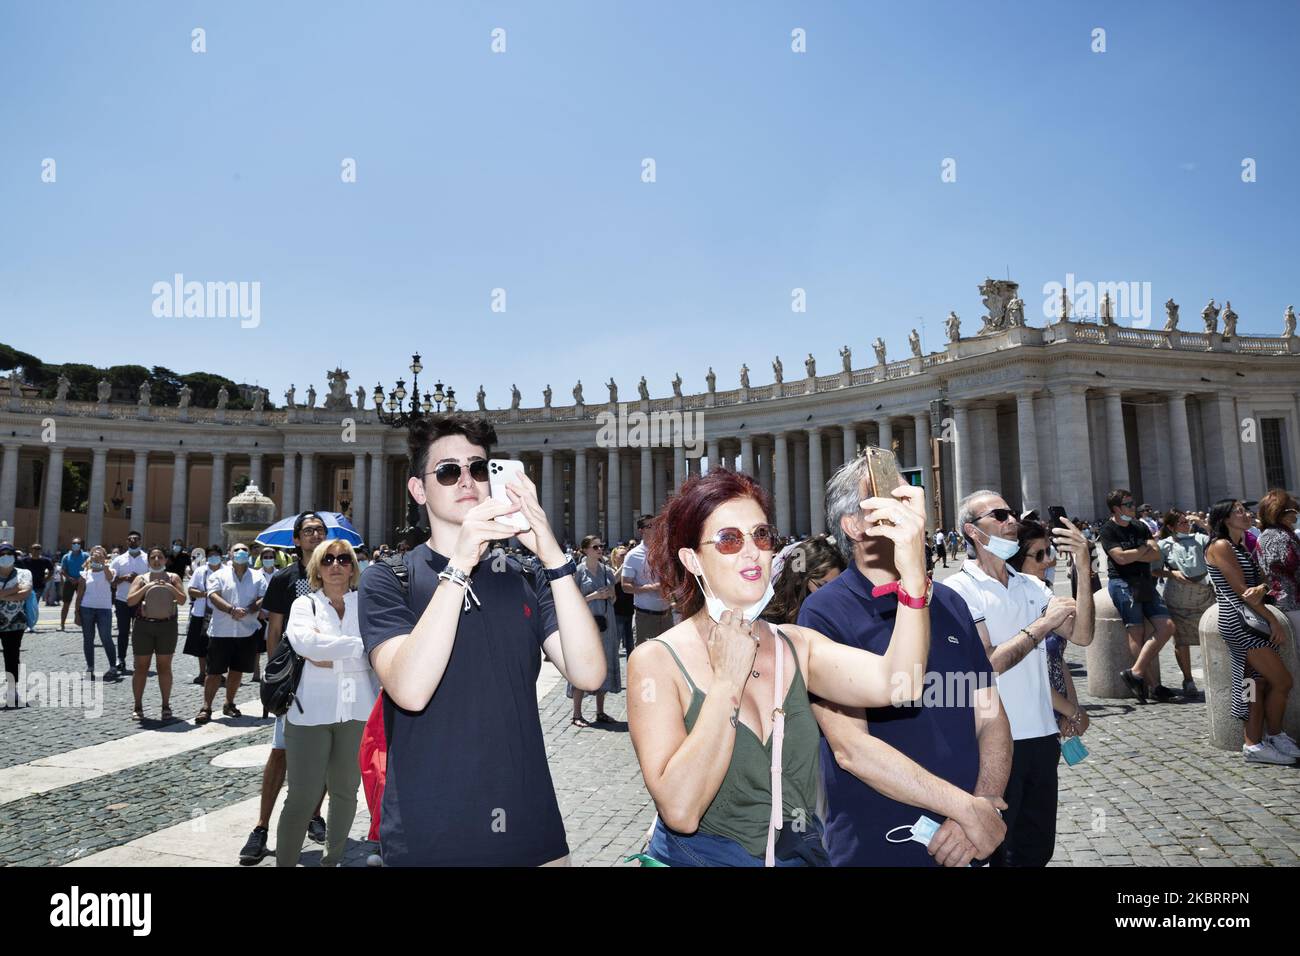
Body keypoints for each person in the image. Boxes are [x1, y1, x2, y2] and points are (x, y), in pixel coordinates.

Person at [628, 467, 932, 866]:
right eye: (729, 539)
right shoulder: (656, 661)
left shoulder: (797, 645)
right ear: (692, 559)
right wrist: (726, 683)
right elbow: (680, 811)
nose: (752, 551)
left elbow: (902, 685)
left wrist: (913, 576)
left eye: (761, 535)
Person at [358, 414, 605, 865]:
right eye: (448, 471)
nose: (466, 480)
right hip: (430, 835)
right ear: (418, 490)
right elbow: (410, 690)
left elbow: (588, 674)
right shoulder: (387, 579)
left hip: (531, 829)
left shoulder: (527, 575)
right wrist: (459, 565)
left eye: (477, 467)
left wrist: (552, 555)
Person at [800, 462, 1010, 867]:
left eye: (907, 498)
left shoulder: (949, 602)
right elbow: (853, 749)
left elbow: (990, 714)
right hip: (880, 845)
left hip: (971, 839)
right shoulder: (823, 613)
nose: (907, 510)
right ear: (854, 526)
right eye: (889, 500)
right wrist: (965, 809)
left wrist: (984, 800)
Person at [945, 490, 1087, 867]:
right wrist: (1043, 625)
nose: (1012, 521)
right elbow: (989, 662)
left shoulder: (1031, 585)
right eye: (999, 515)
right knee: (1000, 853)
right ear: (972, 531)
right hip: (994, 741)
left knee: (1037, 848)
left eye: (1011, 513)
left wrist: (1084, 565)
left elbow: (1083, 634)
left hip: (1042, 735)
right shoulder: (958, 589)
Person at [277, 538, 379, 867]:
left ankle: (331, 861)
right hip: (310, 713)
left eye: (344, 559)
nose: (336, 565)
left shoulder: (366, 603)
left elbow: (377, 646)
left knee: (346, 792)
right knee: (302, 797)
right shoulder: (304, 605)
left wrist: (329, 652)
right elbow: (305, 644)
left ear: (353, 568)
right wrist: (356, 649)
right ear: (317, 569)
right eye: (328, 559)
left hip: (357, 711)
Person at [239, 514, 329, 865]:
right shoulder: (284, 578)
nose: (315, 535)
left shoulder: (338, 572)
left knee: (326, 751)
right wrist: (275, 673)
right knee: (281, 751)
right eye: (309, 531)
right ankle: (261, 827)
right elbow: (274, 629)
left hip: (329, 673)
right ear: (296, 540)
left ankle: (314, 814)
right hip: (294, 672)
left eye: (320, 530)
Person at [1205, 499, 1299, 764]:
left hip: (1248, 618)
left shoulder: (1240, 546)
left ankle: (1256, 741)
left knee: (1254, 683)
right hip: (1241, 621)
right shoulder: (1221, 546)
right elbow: (1242, 591)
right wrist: (1273, 621)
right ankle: (1270, 736)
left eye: (1245, 510)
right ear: (1225, 519)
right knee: (1282, 681)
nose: (1246, 514)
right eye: (1239, 511)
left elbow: (1261, 584)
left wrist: (1262, 588)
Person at [1010, 519, 1095, 740]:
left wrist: (1083, 569)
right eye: (1039, 555)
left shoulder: (1042, 593)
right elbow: (1025, 672)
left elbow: (1075, 642)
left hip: (1053, 715)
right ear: (1017, 558)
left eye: (1049, 551)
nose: (1048, 560)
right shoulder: (1010, 601)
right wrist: (1071, 711)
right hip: (1023, 716)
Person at [1099, 489, 1177, 703]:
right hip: (1122, 583)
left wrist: (1133, 554)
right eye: (1128, 504)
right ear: (1116, 508)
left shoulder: (1139, 526)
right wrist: (1142, 550)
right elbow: (1120, 559)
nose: (1133, 507)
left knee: (1167, 626)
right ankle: (1154, 686)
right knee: (1137, 633)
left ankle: (1135, 672)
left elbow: (1156, 553)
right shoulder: (1108, 530)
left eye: (1133, 503)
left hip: (1144, 582)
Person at [197, 542, 266, 725]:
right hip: (221, 631)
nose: (241, 552)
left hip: (246, 631)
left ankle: (229, 703)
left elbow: (262, 597)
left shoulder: (257, 576)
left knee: (237, 670)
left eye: (244, 550)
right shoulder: (218, 575)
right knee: (214, 672)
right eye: (237, 550)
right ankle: (206, 707)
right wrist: (231, 610)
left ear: (249, 554)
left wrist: (250, 609)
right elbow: (213, 595)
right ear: (230, 554)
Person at [1158, 509, 1214, 698]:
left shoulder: (1200, 538)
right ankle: (1188, 679)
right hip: (1178, 597)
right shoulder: (1163, 545)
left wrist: (1202, 523)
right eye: (1181, 523)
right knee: (1181, 640)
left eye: (1187, 522)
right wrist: (1171, 573)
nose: (1186, 525)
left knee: (1211, 636)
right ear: (1170, 526)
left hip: (1203, 594)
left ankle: (1214, 676)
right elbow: (1155, 570)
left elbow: (1220, 540)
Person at [125, 546, 186, 720]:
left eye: (160, 557)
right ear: (148, 561)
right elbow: (130, 601)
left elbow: (182, 600)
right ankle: (137, 706)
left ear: (166, 560)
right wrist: (147, 587)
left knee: (164, 667)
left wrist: (170, 587)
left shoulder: (173, 578)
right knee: (141, 667)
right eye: (153, 557)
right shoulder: (141, 579)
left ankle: (166, 705)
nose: (157, 560)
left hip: (167, 627)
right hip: (143, 627)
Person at [569, 535, 621, 727]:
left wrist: (610, 594)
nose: (600, 549)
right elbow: (571, 601)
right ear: (585, 550)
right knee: (582, 664)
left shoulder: (607, 570)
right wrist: (593, 596)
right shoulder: (578, 571)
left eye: (602, 546)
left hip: (606, 623)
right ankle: (577, 714)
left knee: (604, 663)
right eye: (595, 547)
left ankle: (600, 711)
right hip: (585, 625)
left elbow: (614, 598)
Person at [763, 534, 846, 626]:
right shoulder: (770, 618)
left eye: (835, 586)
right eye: (821, 586)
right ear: (799, 578)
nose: (829, 594)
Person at [1256, 490, 1300, 644]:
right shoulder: (1279, 536)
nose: (1297, 513)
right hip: (1292, 601)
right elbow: (1293, 566)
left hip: (1285, 599)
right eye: (1293, 509)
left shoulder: (1271, 533)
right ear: (1281, 512)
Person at [621, 514, 671, 648]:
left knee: (668, 655)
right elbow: (625, 586)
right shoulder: (633, 555)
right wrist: (651, 588)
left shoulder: (664, 551)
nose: (656, 528)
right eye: (650, 526)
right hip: (645, 616)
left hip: (667, 614)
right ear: (641, 530)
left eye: (657, 525)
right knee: (645, 654)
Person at [75, 546, 119, 680]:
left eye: (100, 554)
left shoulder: (110, 570)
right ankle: (90, 667)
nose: (97, 555)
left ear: (105, 557)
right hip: (86, 608)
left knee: (106, 637)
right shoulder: (85, 573)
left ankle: (113, 666)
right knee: (88, 639)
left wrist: (103, 564)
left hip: (104, 609)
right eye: (94, 553)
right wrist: (77, 612)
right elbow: (80, 594)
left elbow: (110, 579)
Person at [109, 530, 148, 675]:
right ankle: (121, 659)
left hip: (140, 600)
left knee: (140, 633)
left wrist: (139, 580)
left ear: (140, 541)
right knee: (123, 632)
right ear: (126, 542)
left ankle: (139, 660)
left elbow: (153, 580)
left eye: (136, 539)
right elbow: (112, 581)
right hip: (122, 600)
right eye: (130, 539)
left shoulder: (147, 559)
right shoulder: (118, 560)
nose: (133, 541)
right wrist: (124, 578)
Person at [0, 542, 34, 709]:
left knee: (12, 656)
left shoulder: (24, 573)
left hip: (15, 622)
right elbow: (19, 591)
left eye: (9, 554)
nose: (6, 557)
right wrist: (14, 590)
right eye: (2, 554)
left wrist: (2, 595)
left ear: (14, 556)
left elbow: (25, 592)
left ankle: (12, 691)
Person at [183, 546, 222, 686]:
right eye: (211, 555)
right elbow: (191, 590)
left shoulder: (227, 571)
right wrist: (205, 594)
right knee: (201, 646)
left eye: (216, 555)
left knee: (220, 645)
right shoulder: (200, 571)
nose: (213, 558)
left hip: (221, 613)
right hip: (201, 613)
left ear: (221, 556)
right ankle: (202, 673)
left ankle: (217, 672)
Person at [17, 544, 53, 633]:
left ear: (40, 550)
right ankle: (24, 623)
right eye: (34, 549)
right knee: (24, 605)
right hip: (25, 586)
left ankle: (30, 625)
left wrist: (46, 579)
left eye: (38, 549)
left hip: (38, 586)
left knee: (33, 605)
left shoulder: (45, 561)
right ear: (31, 549)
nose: (36, 550)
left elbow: (51, 570)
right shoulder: (24, 560)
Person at [609, 545, 636, 658]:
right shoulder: (610, 570)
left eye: (627, 555)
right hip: (617, 612)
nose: (625, 557)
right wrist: (624, 566)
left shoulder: (630, 570)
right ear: (615, 557)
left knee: (630, 644)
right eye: (622, 555)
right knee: (615, 642)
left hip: (630, 611)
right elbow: (613, 580)